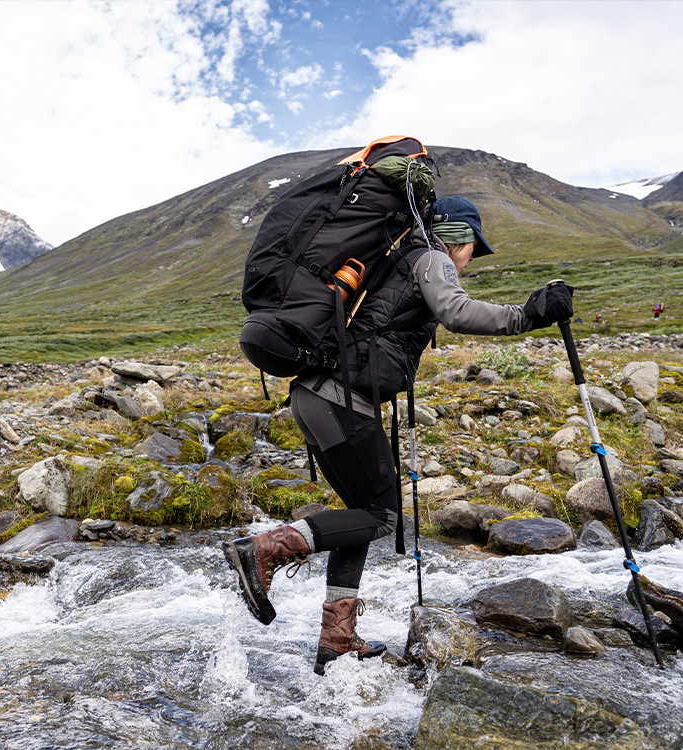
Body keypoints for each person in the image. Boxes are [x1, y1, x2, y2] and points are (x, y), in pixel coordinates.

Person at [222, 196, 574, 674]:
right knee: (381, 517)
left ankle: (337, 637)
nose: (471, 259)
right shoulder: (431, 256)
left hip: (315, 398)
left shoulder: (393, 259)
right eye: (473, 247)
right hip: (342, 401)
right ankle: (262, 548)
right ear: (459, 238)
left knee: (360, 518)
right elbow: (455, 312)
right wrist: (528, 314)